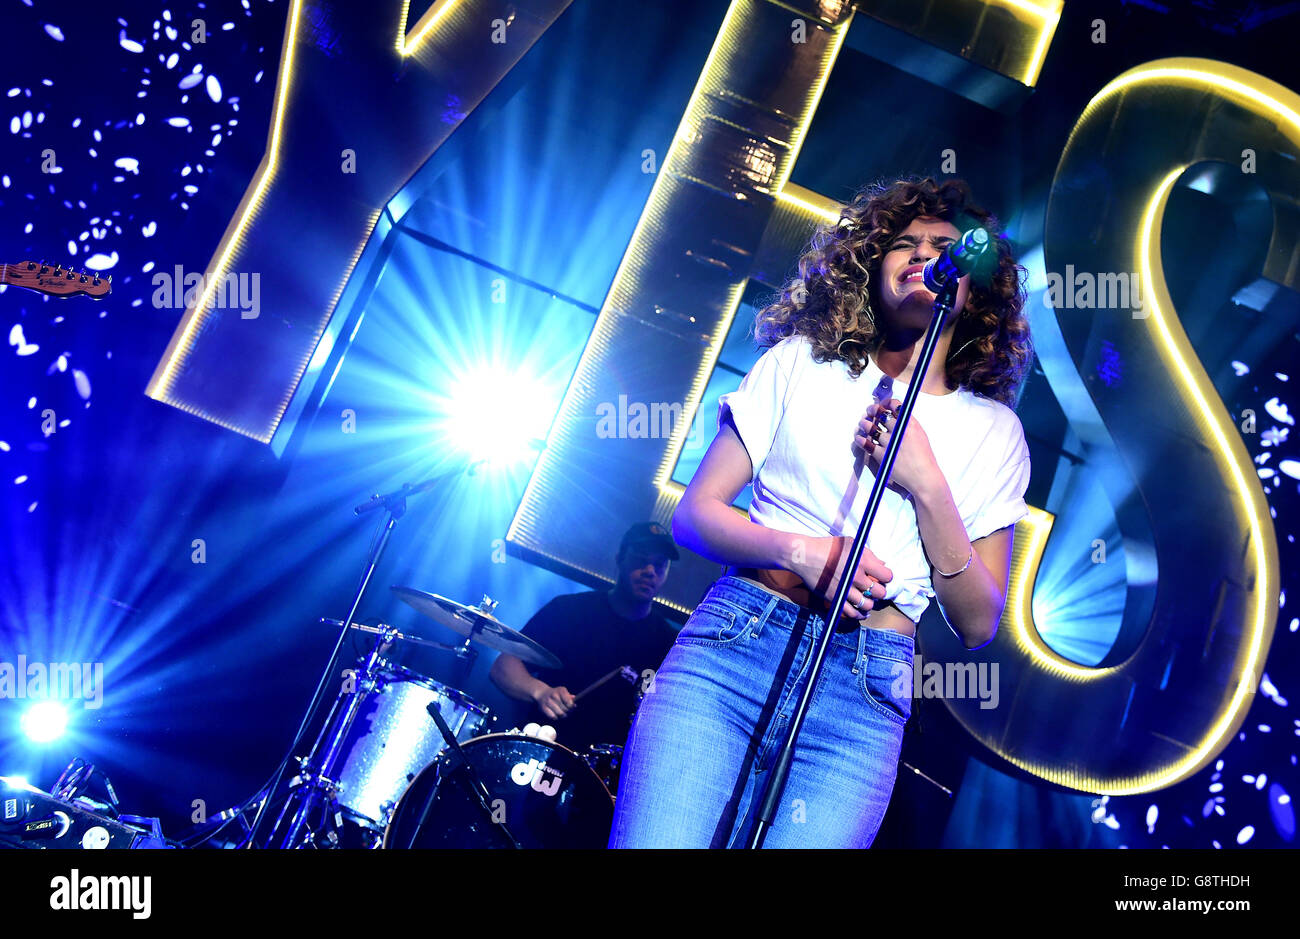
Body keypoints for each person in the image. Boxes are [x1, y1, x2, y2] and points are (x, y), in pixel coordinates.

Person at [608, 176, 1034, 848]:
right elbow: (695, 516)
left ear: (976, 288)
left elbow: (978, 620)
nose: (924, 253)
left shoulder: (995, 432)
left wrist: (926, 483)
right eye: (905, 243)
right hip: (735, 651)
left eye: (945, 246)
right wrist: (809, 553)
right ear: (871, 265)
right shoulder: (802, 363)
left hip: (863, 695)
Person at [489, 522, 680, 757]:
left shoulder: (670, 645)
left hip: (606, 777)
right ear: (620, 558)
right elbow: (503, 667)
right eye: (641, 559)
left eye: (660, 565)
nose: (650, 570)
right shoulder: (569, 610)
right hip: (542, 750)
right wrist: (541, 692)